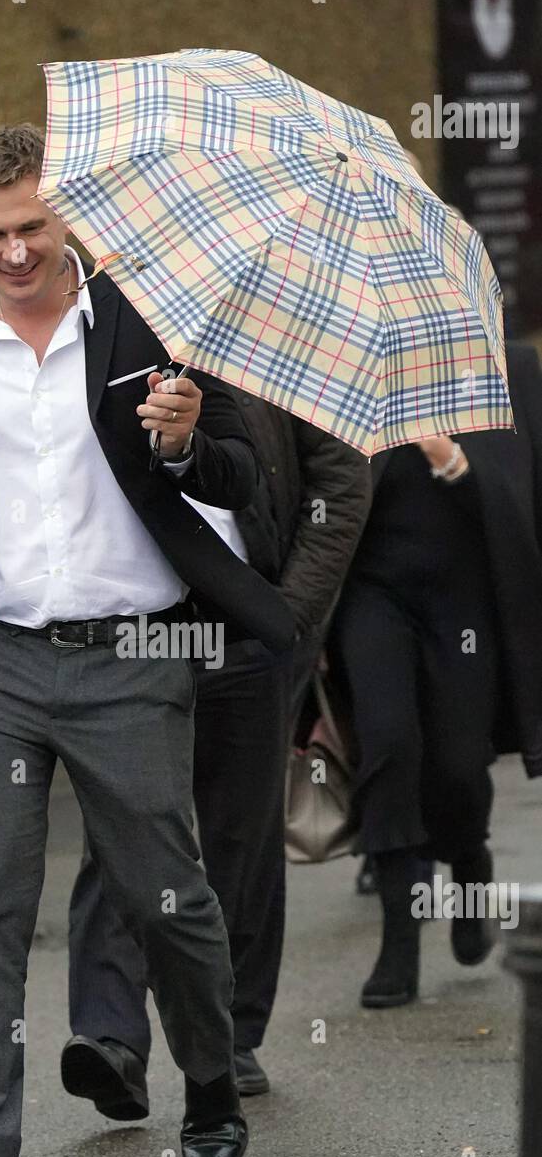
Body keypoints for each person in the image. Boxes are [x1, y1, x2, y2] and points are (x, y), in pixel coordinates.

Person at [0, 123, 300, 1157]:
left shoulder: (146, 322)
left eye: (33, 228)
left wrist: (179, 440)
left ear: (63, 217)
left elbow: (241, 477)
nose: (16, 252)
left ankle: (210, 1085)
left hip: (134, 655)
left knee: (167, 895)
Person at [64, 397, 371, 1108]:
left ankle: (230, 1035)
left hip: (244, 625)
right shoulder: (98, 336)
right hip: (130, 627)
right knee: (122, 820)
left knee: (241, 832)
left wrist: (284, 614)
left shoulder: (281, 344)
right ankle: (112, 1038)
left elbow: (339, 484)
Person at [329, 341, 542, 1008]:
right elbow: (307, 485)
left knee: (455, 764)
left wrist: (452, 460)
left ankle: (469, 864)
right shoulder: (339, 366)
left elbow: (523, 491)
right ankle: (398, 937)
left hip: (465, 595)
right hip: (371, 593)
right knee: (388, 747)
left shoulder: (505, 366)